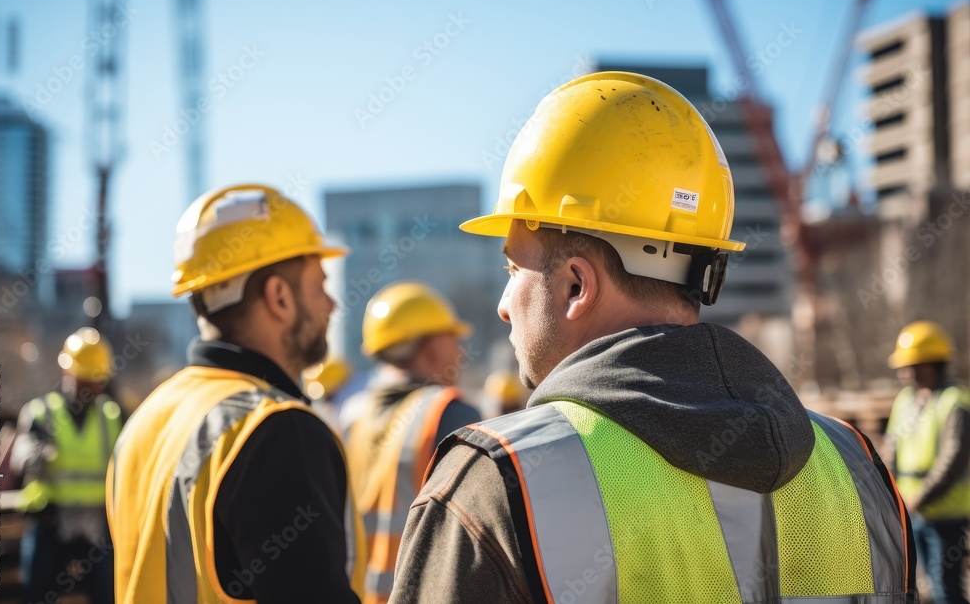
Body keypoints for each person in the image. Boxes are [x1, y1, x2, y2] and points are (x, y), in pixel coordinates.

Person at [389, 72, 917, 603]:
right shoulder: (854, 466)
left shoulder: (497, 480)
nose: (504, 306)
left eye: (513, 270)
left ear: (575, 286)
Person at [107, 184, 365, 603]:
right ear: (279, 297)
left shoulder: (143, 421)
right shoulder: (278, 430)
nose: (332, 304)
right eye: (320, 286)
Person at [341, 281, 481, 604]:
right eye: (453, 340)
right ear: (430, 348)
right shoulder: (450, 413)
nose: (461, 354)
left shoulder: (352, 417)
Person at [11, 326, 122, 604]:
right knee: (38, 593)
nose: (89, 388)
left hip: (96, 524)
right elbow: (19, 457)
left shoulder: (112, 416)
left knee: (109, 594)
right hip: (52, 519)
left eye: (94, 381)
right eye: (83, 379)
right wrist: (37, 452)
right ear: (66, 372)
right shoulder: (40, 412)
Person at [883, 321, 970, 604]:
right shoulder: (906, 401)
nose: (903, 372)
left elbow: (953, 458)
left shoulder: (955, 401)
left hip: (946, 514)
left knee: (946, 588)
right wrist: (891, 495)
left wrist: (920, 497)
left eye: (910, 365)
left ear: (929, 363)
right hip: (910, 511)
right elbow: (891, 449)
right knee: (925, 586)